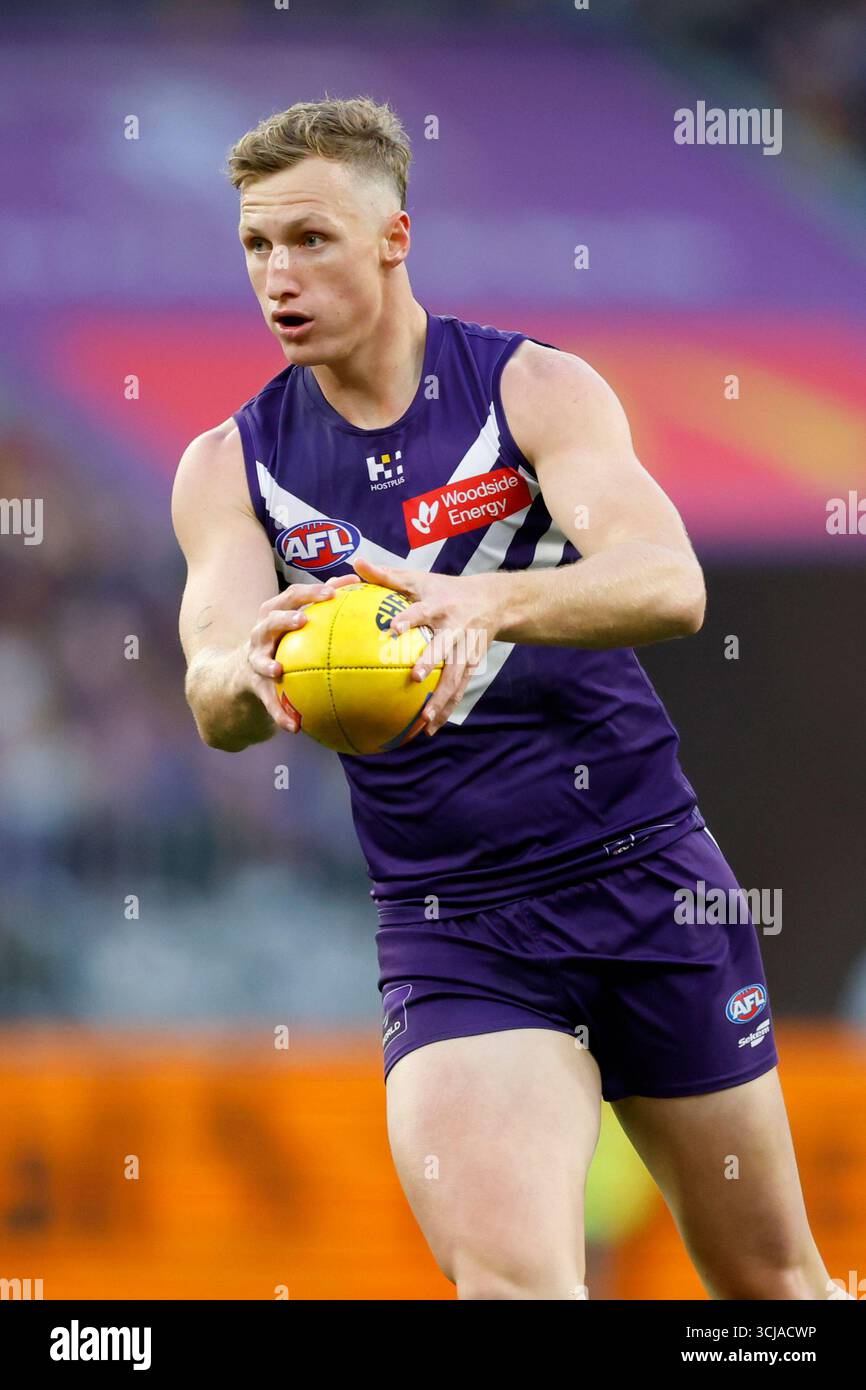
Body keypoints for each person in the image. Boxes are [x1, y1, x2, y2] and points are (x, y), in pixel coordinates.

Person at [171, 96, 837, 1300]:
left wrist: (481, 603)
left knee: (772, 1291)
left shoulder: (532, 387)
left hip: (647, 879)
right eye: (256, 248)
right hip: (457, 926)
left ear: (394, 237)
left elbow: (667, 579)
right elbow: (208, 682)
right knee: (517, 1291)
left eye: (310, 239)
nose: (279, 274)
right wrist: (247, 669)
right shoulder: (229, 466)